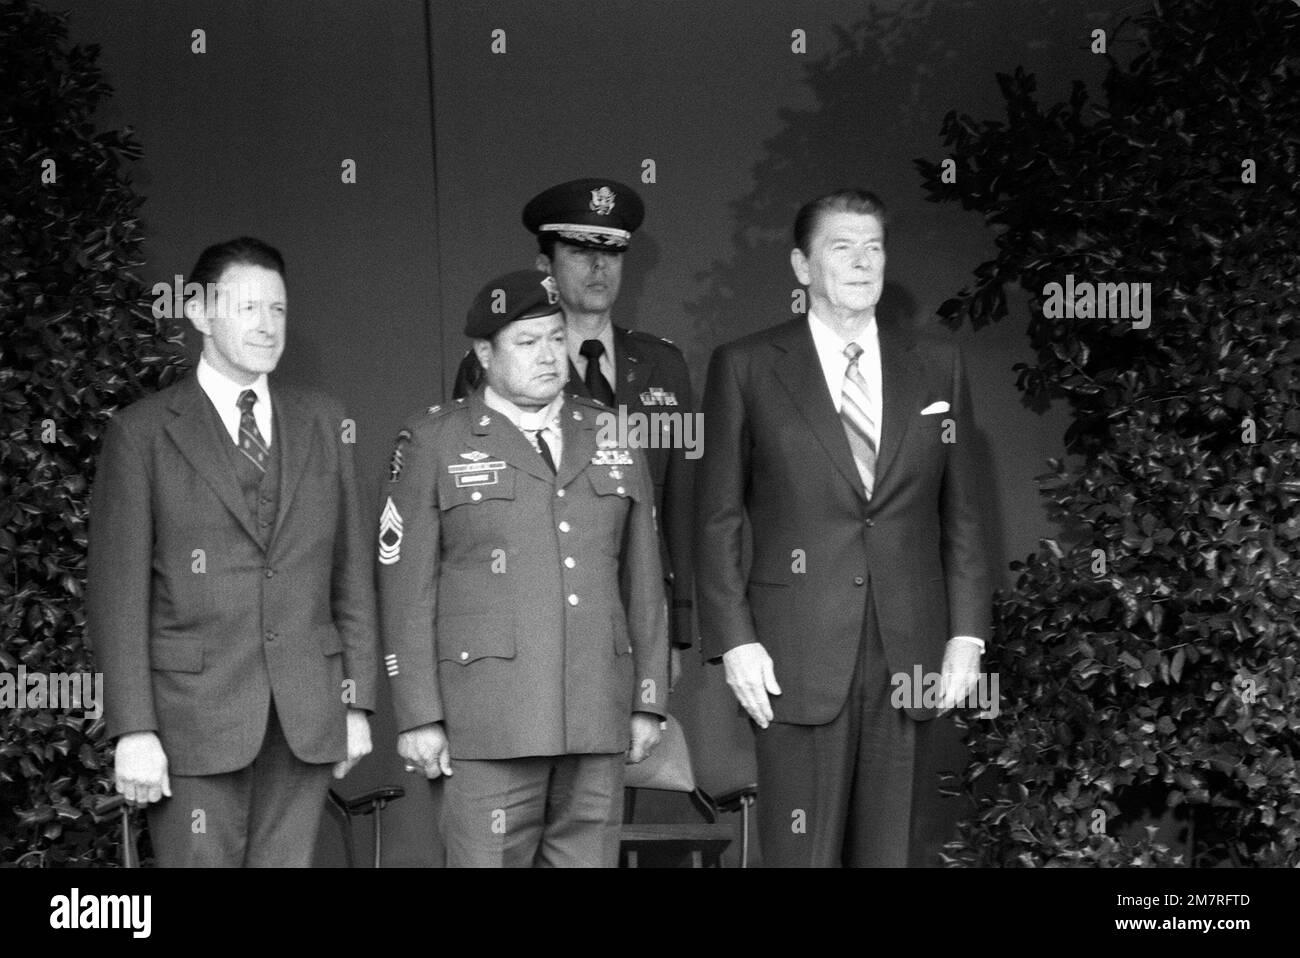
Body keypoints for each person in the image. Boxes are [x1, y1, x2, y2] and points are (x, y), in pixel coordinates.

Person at [694, 190, 992, 867]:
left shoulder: (937, 364)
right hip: (792, 652)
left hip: (908, 649)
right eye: (842, 247)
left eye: (874, 247)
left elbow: (964, 512)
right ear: (801, 267)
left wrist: (968, 636)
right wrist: (734, 641)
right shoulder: (745, 366)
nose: (862, 263)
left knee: (889, 853)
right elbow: (715, 518)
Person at [86, 237, 377, 867]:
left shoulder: (324, 420)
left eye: (277, 309)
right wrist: (134, 728)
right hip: (191, 720)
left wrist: (354, 702)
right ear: (198, 312)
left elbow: (350, 574)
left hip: (305, 716)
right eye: (248, 308)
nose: (267, 325)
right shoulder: (142, 432)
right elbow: (117, 596)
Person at [379, 269, 668, 867]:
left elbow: (643, 580)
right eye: (527, 341)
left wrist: (648, 698)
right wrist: (419, 714)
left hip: (596, 716)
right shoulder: (435, 439)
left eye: (556, 339)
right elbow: (406, 589)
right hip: (486, 724)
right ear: (484, 353)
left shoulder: (612, 432)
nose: (548, 356)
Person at [452, 179, 695, 681]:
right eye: (581, 251)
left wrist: (676, 626)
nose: (599, 266)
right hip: (530, 618)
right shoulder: (495, 367)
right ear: (546, 266)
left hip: (640, 614)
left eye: (612, 252)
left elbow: (682, 502)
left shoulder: (663, 366)